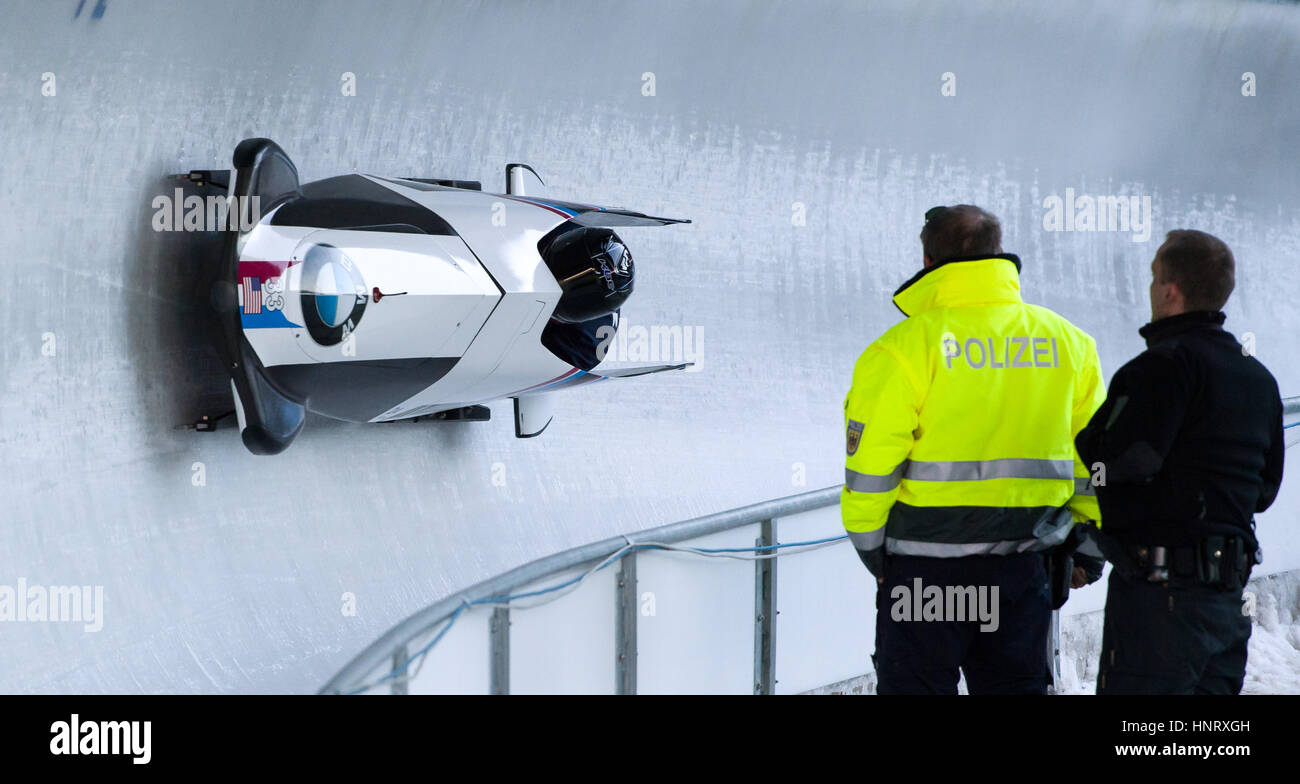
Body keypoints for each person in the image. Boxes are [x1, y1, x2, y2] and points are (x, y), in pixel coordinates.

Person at [842, 205, 1105, 695]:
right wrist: (1088, 546)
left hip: (923, 581)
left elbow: (870, 473)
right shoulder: (1070, 345)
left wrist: (879, 559)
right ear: (998, 254)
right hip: (1024, 572)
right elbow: (1095, 461)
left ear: (927, 260)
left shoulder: (900, 351)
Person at [1076, 230, 1284, 695]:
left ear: (1170, 290)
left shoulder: (1159, 368)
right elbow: (1266, 490)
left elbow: (1125, 458)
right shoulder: (1258, 378)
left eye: (1154, 278)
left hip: (1159, 603)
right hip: (1227, 602)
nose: (1150, 289)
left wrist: (1090, 441)